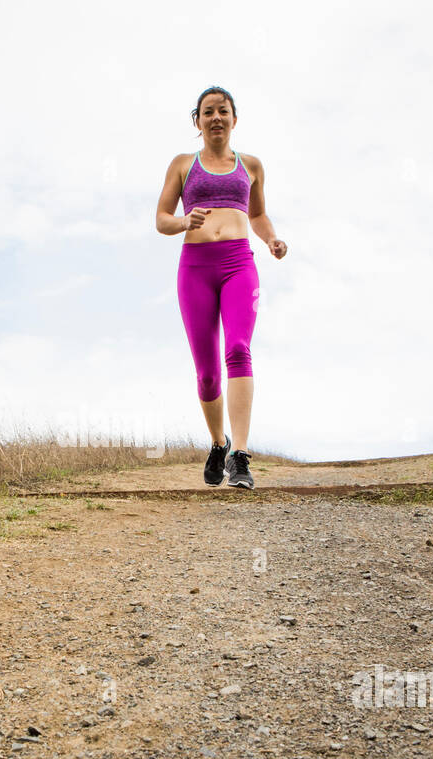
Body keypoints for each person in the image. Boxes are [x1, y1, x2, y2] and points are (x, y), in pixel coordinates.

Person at [155, 85, 287, 489]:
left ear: (234, 118)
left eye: (223, 111)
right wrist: (184, 221)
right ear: (197, 121)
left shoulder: (251, 166)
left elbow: (258, 214)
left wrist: (271, 239)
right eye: (208, 112)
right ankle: (218, 441)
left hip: (238, 265)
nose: (216, 117)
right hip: (195, 267)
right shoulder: (182, 164)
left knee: (238, 349)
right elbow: (162, 218)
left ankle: (240, 455)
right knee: (208, 374)